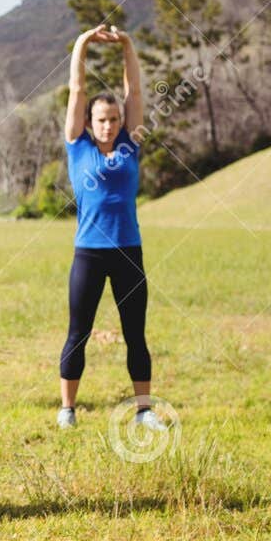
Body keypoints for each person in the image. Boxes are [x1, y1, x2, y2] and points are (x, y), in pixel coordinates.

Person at [57, 24, 162, 430]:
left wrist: (128, 44)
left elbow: (134, 90)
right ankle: (67, 409)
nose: (108, 125)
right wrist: (82, 41)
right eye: (101, 119)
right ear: (90, 121)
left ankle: (144, 410)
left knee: (135, 334)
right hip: (88, 253)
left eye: (114, 119)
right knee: (78, 333)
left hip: (127, 252)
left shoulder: (129, 144)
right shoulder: (77, 145)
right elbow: (77, 89)